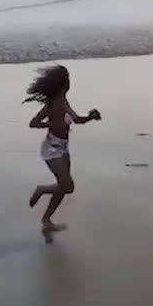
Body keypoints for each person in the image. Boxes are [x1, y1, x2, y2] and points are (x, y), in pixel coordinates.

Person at [25, 65, 101, 235]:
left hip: (63, 148)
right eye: (68, 81)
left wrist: (91, 117)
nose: (70, 84)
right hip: (51, 149)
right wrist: (52, 124)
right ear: (62, 84)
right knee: (67, 186)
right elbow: (33, 123)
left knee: (65, 187)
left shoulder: (64, 102)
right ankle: (42, 190)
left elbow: (77, 120)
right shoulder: (51, 104)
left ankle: (46, 220)